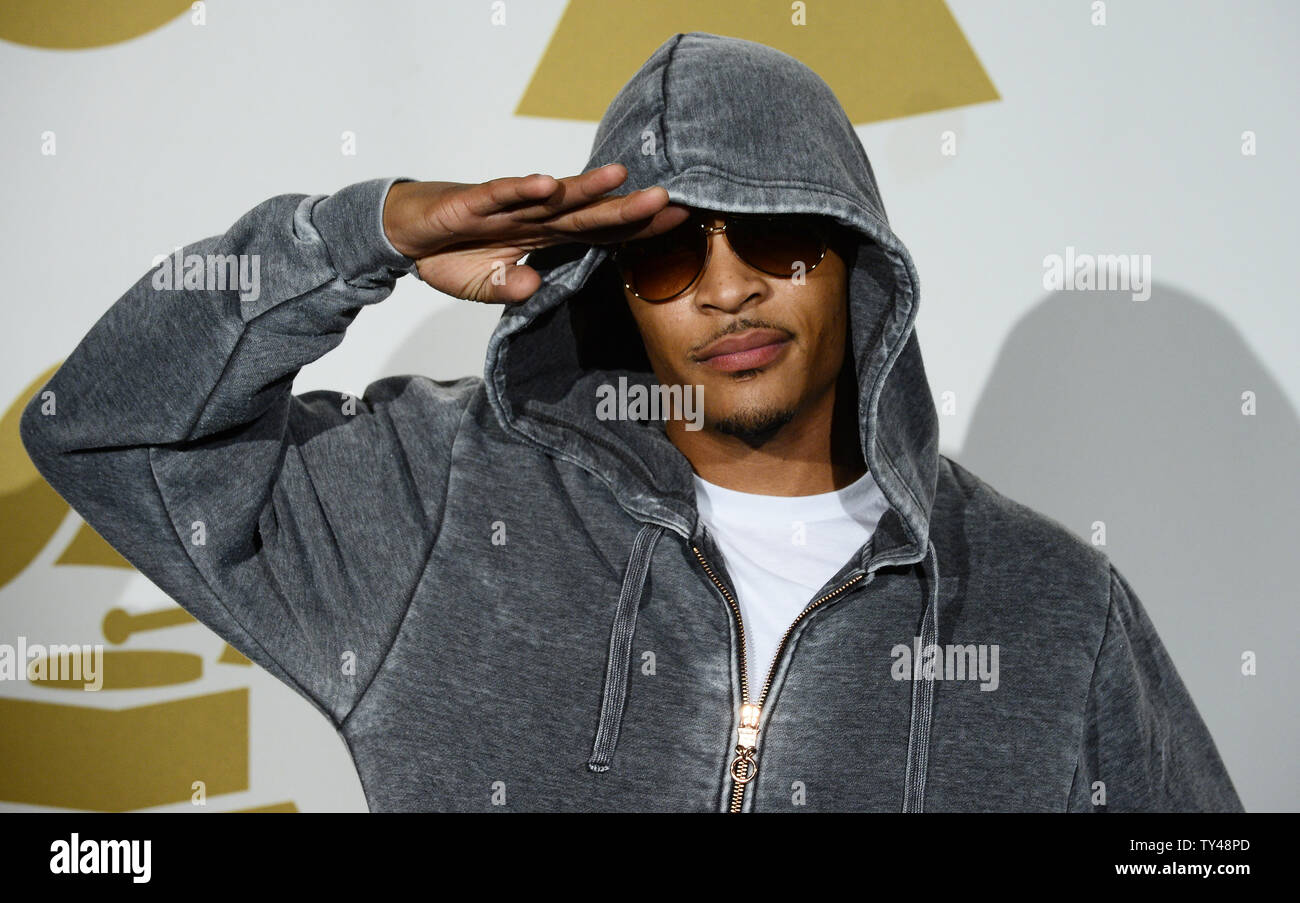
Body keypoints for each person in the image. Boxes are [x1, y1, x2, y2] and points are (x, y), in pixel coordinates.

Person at [20, 32, 1242, 812]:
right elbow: (106, 431)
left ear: (858, 261)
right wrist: (362, 234)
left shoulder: (1045, 602)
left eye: (771, 235)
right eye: (662, 254)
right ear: (607, 293)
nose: (725, 287)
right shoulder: (446, 508)